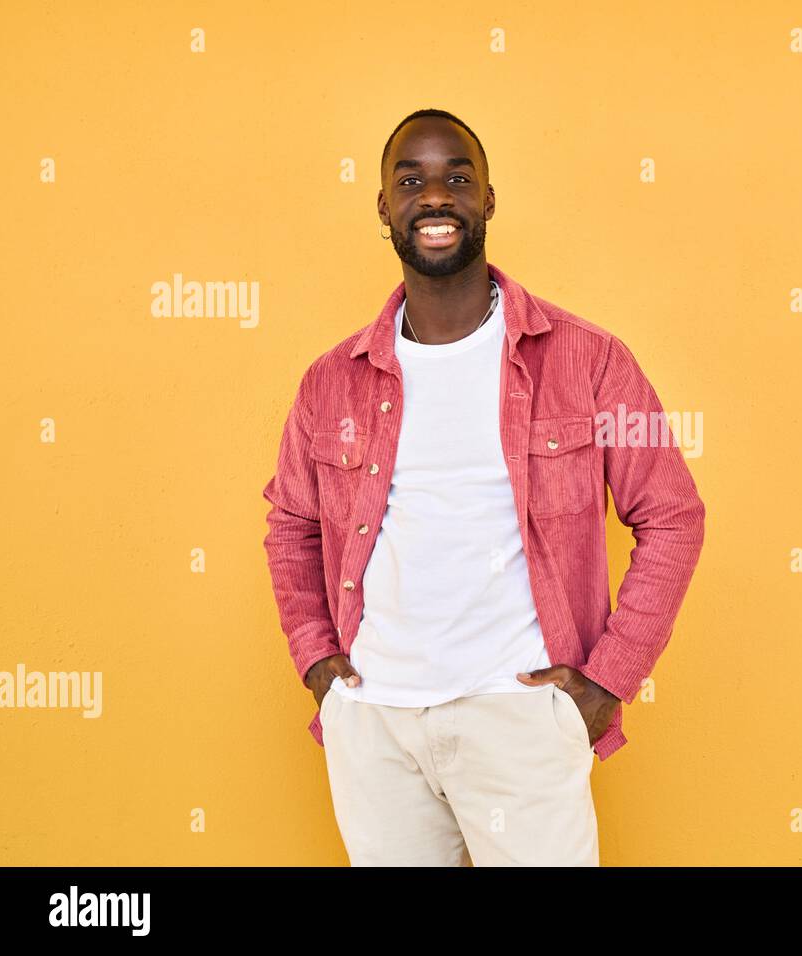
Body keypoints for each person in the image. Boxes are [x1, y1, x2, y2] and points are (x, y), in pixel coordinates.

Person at [260, 108, 706, 866]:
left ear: (489, 200)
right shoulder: (329, 383)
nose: (435, 197)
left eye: (457, 178)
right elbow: (290, 526)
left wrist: (606, 683)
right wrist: (318, 666)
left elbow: (673, 515)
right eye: (411, 181)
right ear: (384, 209)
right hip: (376, 727)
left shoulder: (590, 360)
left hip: (519, 718)